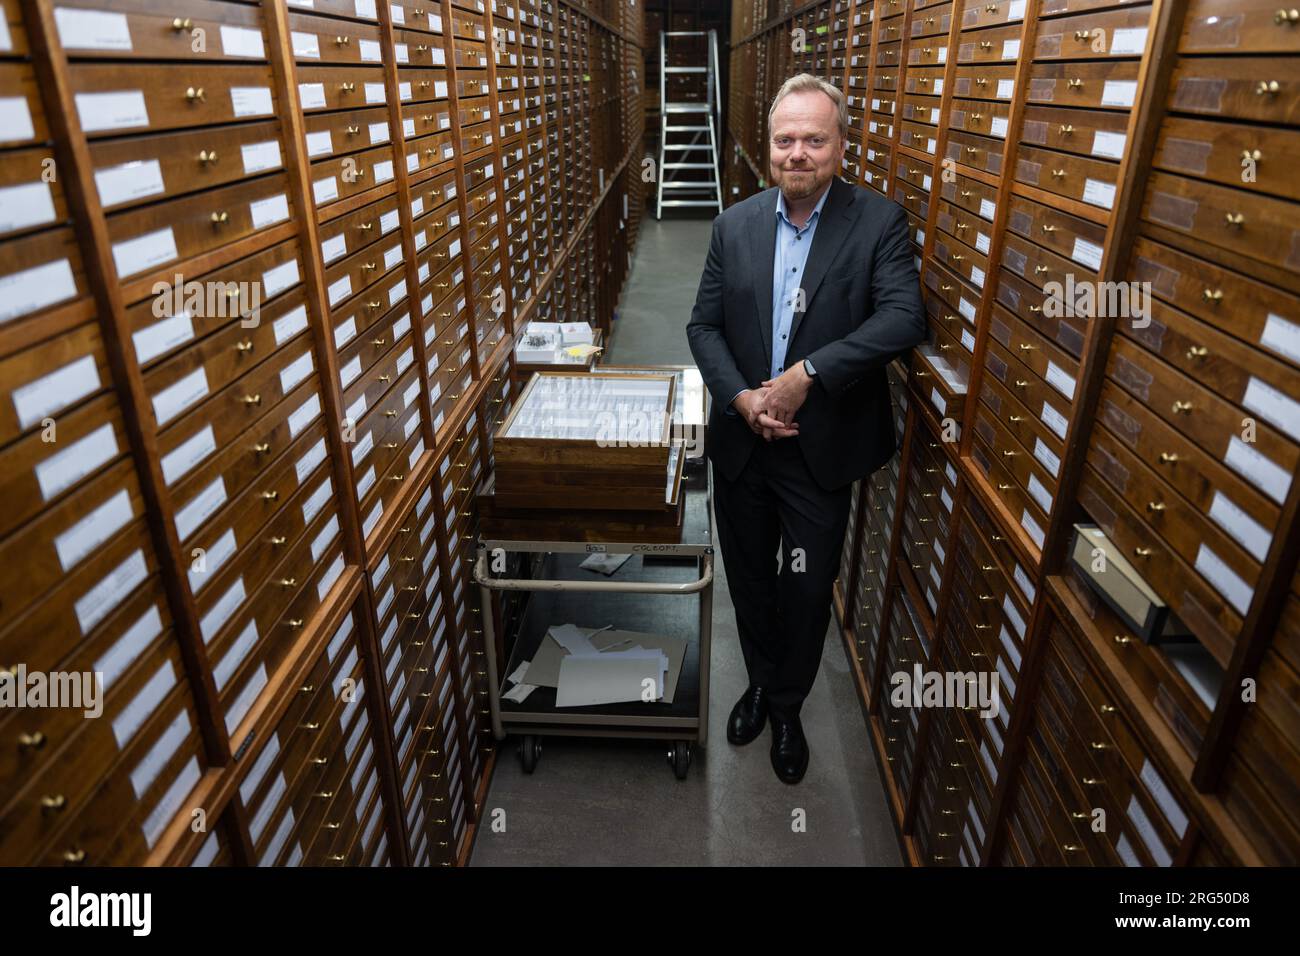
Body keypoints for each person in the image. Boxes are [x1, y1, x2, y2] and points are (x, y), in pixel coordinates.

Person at [686, 73, 925, 784]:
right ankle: (760, 683)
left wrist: (807, 375)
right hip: (742, 443)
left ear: (841, 147)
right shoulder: (736, 224)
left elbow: (903, 317)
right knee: (752, 578)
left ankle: (788, 706)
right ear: (769, 146)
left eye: (814, 140)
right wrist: (739, 400)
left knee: (808, 584)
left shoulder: (878, 222)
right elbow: (703, 325)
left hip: (821, 448)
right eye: (785, 140)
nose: (797, 153)